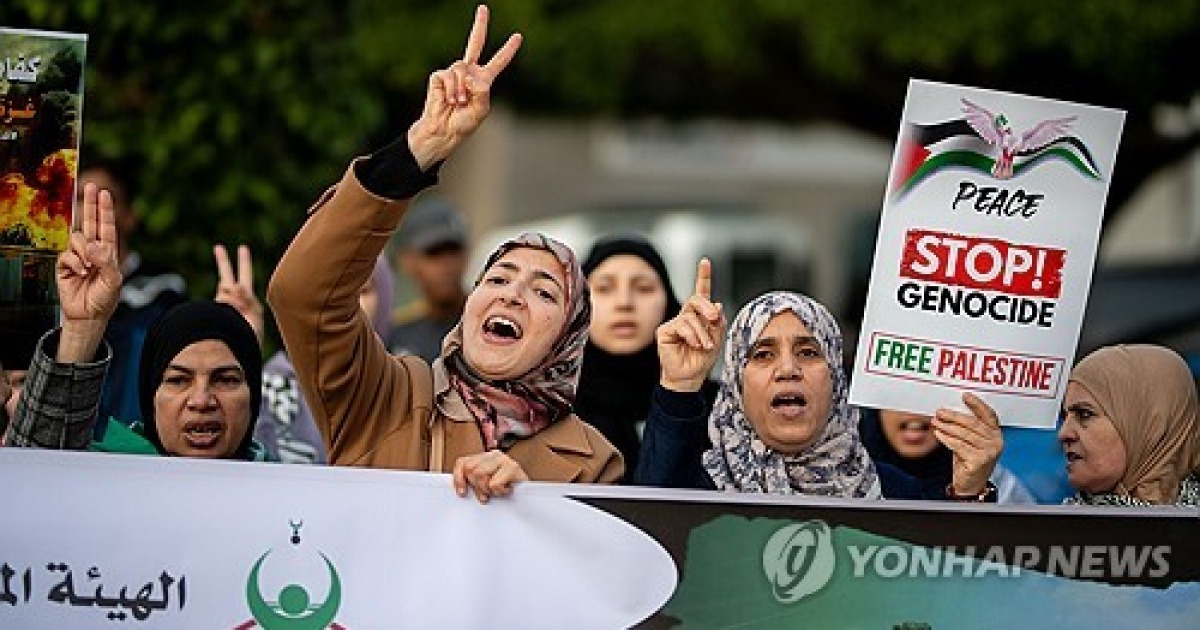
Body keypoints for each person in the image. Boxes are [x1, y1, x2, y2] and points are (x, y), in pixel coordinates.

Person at [268, 5, 622, 502]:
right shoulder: (384, 397)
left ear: (568, 337)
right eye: (497, 280)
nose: (512, 295)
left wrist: (532, 505)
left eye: (544, 291)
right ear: (471, 302)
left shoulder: (593, 461)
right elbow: (304, 294)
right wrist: (420, 148)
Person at [636, 263, 1003, 501]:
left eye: (809, 352)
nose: (788, 369)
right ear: (736, 384)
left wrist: (969, 494)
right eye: (762, 354)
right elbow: (648, 541)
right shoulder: (696, 488)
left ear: (837, 381)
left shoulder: (896, 494)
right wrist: (679, 383)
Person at [5, 183, 267, 461]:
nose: (201, 401)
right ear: (149, 398)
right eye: (178, 380)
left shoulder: (292, 488)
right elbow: (35, 470)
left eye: (226, 379)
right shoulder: (106, 478)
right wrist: (82, 330)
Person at [576, 234, 716, 481]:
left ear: (668, 303)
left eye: (643, 288)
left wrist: (681, 396)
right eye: (604, 289)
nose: (624, 303)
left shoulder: (715, 407)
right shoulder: (548, 408)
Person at [78, 161, 187, 433]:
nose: (89, 209)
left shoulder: (163, 291)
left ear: (129, 215)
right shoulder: (46, 292)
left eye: (106, 198)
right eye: (79, 198)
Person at [257, 255, 396, 464]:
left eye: (364, 290)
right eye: (336, 289)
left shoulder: (406, 387)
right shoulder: (276, 385)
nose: (349, 303)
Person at [1059, 344, 1200, 506]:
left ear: (1151, 426)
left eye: (1085, 414)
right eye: (1065, 416)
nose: (1064, 433)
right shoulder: (1048, 528)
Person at [860, 407, 1036, 503]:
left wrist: (972, 494)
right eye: (899, 400)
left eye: (926, 400)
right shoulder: (851, 478)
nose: (912, 412)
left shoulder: (993, 480)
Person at [388, 198, 469, 361]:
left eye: (454, 250)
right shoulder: (394, 333)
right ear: (408, 261)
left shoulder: (489, 323)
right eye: (433, 252)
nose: (447, 264)